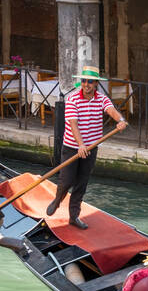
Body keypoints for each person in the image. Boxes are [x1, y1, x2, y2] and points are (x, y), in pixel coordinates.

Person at [44, 66, 127, 230]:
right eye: (83, 81)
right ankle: (58, 199)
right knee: (67, 180)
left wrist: (121, 120)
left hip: (91, 148)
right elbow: (73, 124)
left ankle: (74, 216)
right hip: (72, 147)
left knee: (81, 183)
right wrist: (80, 145)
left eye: (90, 81)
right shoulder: (72, 99)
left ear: (96, 83)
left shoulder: (102, 99)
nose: (86, 84)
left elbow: (111, 110)